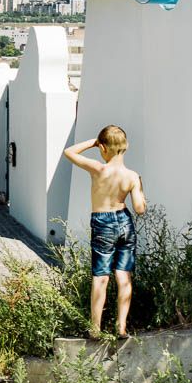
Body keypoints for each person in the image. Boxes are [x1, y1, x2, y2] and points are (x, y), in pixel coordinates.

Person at [64, 125, 147, 339]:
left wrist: (93, 142)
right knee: (123, 276)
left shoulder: (98, 169)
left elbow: (69, 152)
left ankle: (95, 328)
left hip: (103, 223)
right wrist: (140, 191)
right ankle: (121, 328)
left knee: (101, 277)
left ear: (102, 147)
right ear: (126, 147)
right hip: (124, 220)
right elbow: (139, 209)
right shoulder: (132, 176)